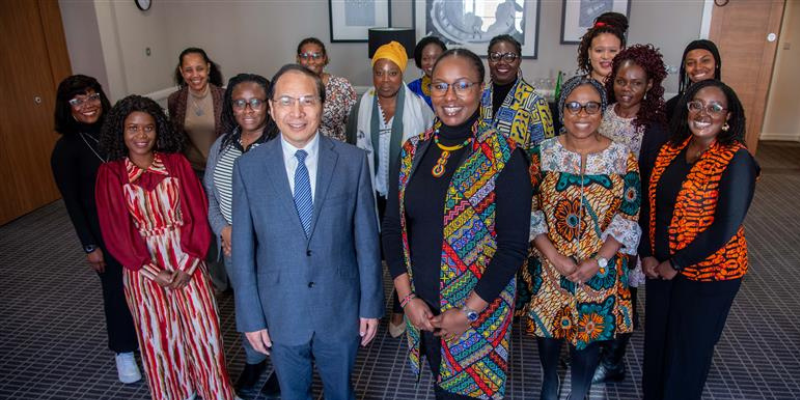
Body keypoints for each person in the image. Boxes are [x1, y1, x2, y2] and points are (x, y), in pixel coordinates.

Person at [383, 48, 532, 400]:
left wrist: (467, 312)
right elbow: (392, 228)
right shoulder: (412, 151)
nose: (450, 97)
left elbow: (513, 248)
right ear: (429, 90)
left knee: (465, 394)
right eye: (440, 86)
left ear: (480, 90)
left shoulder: (503, 155)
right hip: (422, 309)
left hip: (478, 312)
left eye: (462, 85)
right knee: (439, 387)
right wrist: (407, 300)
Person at [231, 64, 384, 400]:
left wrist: (371, 305)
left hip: (340, 309)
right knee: (292, 394)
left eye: (307, 101)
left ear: (322, 105)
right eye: (286, 101)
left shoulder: (352, 161)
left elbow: (367, 243)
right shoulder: (248, 169)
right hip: (280, 310)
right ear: (271, 108)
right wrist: (250, 318)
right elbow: (242, 253)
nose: (297, 112)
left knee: (341, 393)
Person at [95, 95, 236, 400]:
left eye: (148, 128)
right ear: (121, 131)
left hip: (187, 258)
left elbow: (198, 214)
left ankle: (214, 391)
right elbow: (116, 232)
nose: (141, 135)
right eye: (133, 128)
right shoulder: (111, 174)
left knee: (204, 330)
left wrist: (188, 265)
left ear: (158, 131)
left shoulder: (176, 164)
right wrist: (153, 272)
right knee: (160, 337)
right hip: (143, 268)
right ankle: (176, 393)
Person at [524, 76, 641, 400]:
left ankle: (580, 391)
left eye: (591, 106)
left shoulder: (622, 157)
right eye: (573, 106)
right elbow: (530, 211)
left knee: (588, 336)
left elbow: (628, 215)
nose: (582, 113)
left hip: (599, 270)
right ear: (562, 111)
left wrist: (598, 260)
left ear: (602, 112)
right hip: (550, 266)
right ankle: (550, 381)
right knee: (549, 332)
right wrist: (555, 258)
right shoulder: (542, 154)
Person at [642, 80, 759, 400]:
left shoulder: (737, 160)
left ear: (729, 118)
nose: (703, 112)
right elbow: (651, 206)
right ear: (686, 109)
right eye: (697, 104)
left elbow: (726, 226)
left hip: (709, 275)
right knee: (657, 347)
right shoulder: (670, 149)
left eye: (715, 107)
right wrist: (648, 255)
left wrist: (676, 263)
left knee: (687, 354)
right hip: (660, 269)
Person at [50, 75, 141, 384]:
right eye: (78, 100)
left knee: (148, 284)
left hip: (140, 221)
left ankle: (153, 339)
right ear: (67, 108)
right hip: (103, 230)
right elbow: (73, 204)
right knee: (117, 291)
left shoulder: (120, 131)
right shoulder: (65, 149)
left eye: (92, 96)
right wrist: (90, 246)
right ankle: (123, 351)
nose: (87, 105)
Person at [345, 41, 435, 338]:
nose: (385, 79)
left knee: (402, 255)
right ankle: (369, 308)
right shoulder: (361, 106)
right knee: (367, 252)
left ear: (401, 73)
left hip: (404, 197)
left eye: (393, 72)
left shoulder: (419, 108)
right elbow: (351, 150)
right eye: (379, 72)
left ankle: (399, 310)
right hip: (369, 195)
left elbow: (426, 155)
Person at [592, 43, 669, 384]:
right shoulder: (600, 113)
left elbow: (654, 189)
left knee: (623, 293)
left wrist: (642, 244)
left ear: (649, 85)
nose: (627, 89)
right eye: (622, 81)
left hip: (630, 224)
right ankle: (592, 352)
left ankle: (613, 361)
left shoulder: (654, 129)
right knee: (596, 287)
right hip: (593, 219)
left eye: (636, 83)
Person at [204, 73, 281, 397]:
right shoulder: (221, 145)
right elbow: (210, 194)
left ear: (268, 106)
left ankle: (281, 364)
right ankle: (254, 360)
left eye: (256, 101)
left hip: (271, 247)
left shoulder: (281, 146)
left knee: (276, 307)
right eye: (240, 102)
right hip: (233, 245)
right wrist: (223, 228)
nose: (248, 109)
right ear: (230, 108)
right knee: (246, 304)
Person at [167, 47, 229, 293]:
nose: (195, 74)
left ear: (209, 68)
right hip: (192, 171)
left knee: (226, 221)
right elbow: (176, 138)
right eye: (189, 70)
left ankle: (235, 274)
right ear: (182, 72)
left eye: (200, 68)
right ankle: (218, 279)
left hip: (222, 170)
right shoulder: (176, 100)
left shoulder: (223, 96)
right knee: (204, 223)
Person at [481, 34, 554, 151]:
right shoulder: (478, 96)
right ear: (489, 60)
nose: (502, 62)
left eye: (509, 57)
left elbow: (546, 153)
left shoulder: (535, 102)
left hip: (519, 169)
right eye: (495, 56)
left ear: (519, 60)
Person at [296, 37, 357, 142]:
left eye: (317, 56)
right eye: (305, 56)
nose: (311, 61)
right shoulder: (292, 87)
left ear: (324, 58)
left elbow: (354, 124)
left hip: (337, 149)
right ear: (298, 59)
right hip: (302, 148)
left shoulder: (342, 86)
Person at [664, 40, 722, 122]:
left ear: (716, 64)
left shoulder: (728, 101)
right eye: (690, 63)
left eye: (705, 61)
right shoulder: (673, 105)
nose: (698, 67)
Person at [577, 12, 629, 84]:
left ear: (622, 51)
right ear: (589, 52)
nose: (606, 56)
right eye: (599, 50)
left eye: (612, 50)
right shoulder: (575, 89)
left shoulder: (629, 90)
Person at [407, 36, 447, 109]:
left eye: (436, 58)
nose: (431, 63)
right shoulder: (412, 88)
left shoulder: (454, 86)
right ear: (420, 61)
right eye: (425, 58)